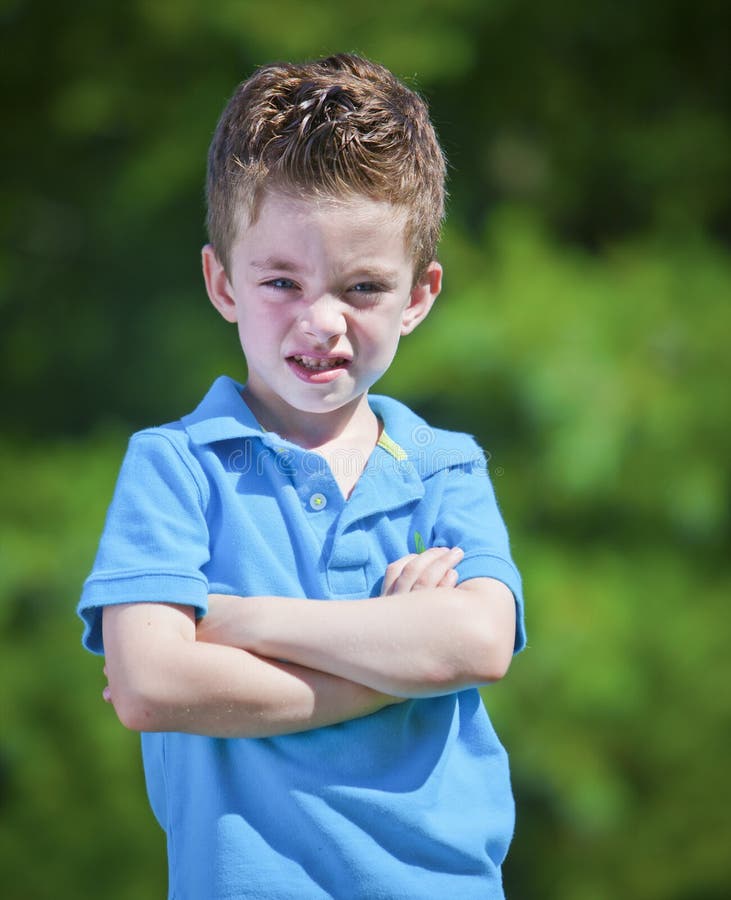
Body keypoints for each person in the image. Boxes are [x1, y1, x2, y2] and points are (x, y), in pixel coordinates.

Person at [78, 52, 526, 900]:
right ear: (223, 283)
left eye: (362, 287)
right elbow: (150, 683)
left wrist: (236, 620)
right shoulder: (175, 466)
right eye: (281, 281)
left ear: (419, 296)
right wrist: (394, 659)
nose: (321, 322)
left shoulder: (444, 467)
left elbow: (475, 644)